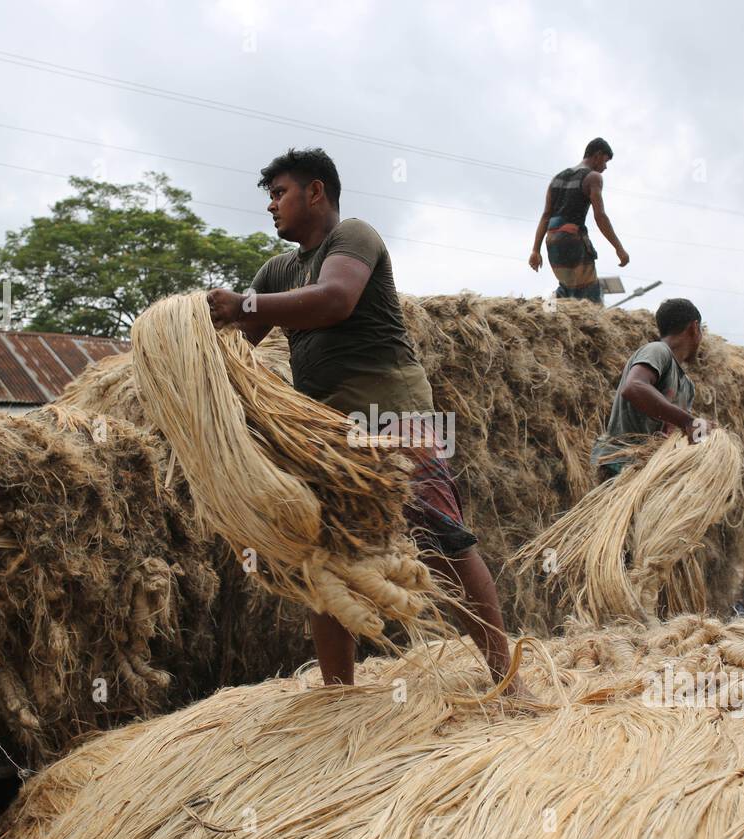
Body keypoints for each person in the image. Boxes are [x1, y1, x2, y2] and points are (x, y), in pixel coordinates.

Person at [206, 148, 518, 693]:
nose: (271, 206)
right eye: (270, 197)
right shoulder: (278, 271)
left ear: (317, 192)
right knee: (325, 558)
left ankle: (507, 678)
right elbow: (239, 341)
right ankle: (337, 693)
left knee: (441, 540)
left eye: (280, 193)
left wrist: (246, 306)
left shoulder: (354, 236)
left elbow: (336, 300)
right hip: (329, 434)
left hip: (394, 416)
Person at [589, 298, 712, 482]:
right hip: (623, 462)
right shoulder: (658, 351)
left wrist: (702, 431)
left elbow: (676, 431)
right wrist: (688, 421)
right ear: (694, 328)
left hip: (651, 469)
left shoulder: (687, 386)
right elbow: (634, 387)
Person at [528, 137, 630, 303]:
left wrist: (535, 250)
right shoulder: (593, 177)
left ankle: (548, 309)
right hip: (572, 239)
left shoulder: (557, 179)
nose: (605, 167)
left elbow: (546, 215)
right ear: (597, 155)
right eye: (605, 161)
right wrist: (619, 249)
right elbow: (600, 217)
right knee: (591, 296)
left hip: (552, 241)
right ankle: (590, 323)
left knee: (568, 289)